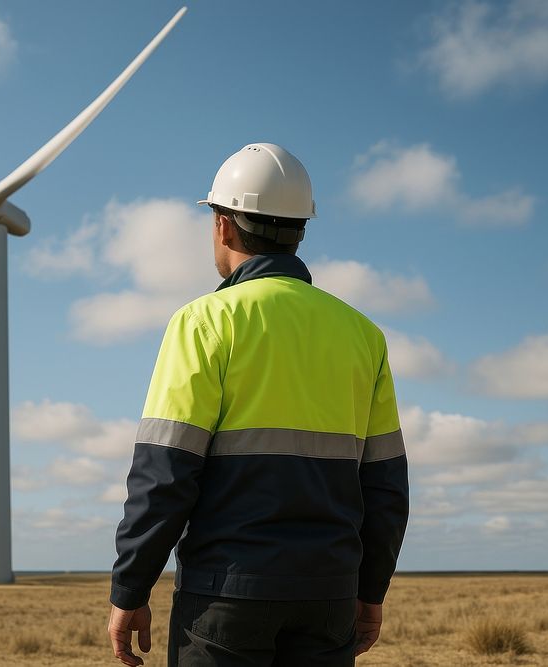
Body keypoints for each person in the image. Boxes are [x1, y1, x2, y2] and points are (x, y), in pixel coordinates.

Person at [106, 143, 409, 666]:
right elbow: (385, 486)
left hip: (226, 595)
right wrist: (370, 591)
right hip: (329, 595)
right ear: (300, 230)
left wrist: (130, 588)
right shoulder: (365, 335)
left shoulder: (204, 322)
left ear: (223, 225)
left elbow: (165, 473)